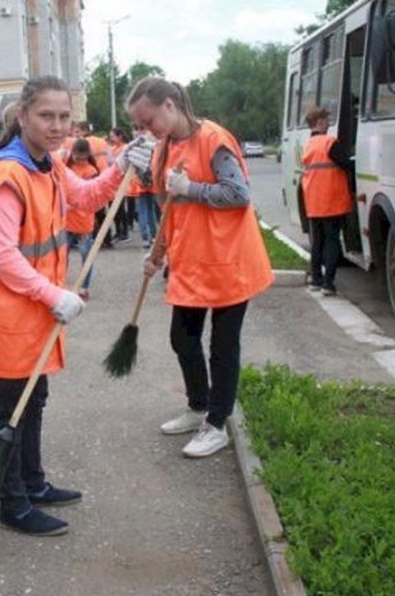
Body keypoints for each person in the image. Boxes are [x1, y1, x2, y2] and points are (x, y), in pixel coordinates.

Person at [0, 75, 153, 536]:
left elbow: (88, 197)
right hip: (6, 314)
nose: (58, 125)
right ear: (23, 116)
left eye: (64, 116)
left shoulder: (48, 165)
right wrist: (53, 293)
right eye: (47, 115)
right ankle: (13, 504)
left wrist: (121, 166)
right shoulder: (7, 176)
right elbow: (2, 254)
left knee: (34, 398)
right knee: (8, 410)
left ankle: (33, 482)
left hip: (30, 312)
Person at [126, 77, 273, 458]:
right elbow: (168, 210)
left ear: (171, 105)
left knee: (223, 347)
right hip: (191, 263)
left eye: (149, 121)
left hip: (229, 262)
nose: (147, 130)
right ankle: (198, 406)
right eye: (140, 125)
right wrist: (156, 253)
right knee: (182, 338)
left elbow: (239, 195)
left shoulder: (213, 139)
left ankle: (217, 423)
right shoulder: (163, 149)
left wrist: (191, 188)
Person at [301, 106, 354, 296]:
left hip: (314, 203)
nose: (328, 122)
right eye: (325, 119)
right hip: (332, 201)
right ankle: (328, 284)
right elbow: (346, 164)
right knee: (332, 243)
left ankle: (316, 279)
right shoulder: (330, 143)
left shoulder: (308, 144)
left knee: (318, 243)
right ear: (319, 122)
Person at [64, 138, 101, 301]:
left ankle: (84, 287)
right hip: (67, 218)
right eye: (76, 156)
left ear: (88, 155)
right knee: (61, 253)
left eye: (82, 156)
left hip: (84, 218)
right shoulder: (68, 167)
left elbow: (89, 195)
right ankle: (60, 283)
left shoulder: (91, 170)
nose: (79, 159)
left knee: (86, 254)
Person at [128, 124, 160, 249]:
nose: (138, 131)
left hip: (141, 182)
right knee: (150, 209)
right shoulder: (154, 143)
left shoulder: (135, 145)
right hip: (151, 181)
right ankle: (153, 235)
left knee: (143, 210)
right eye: (136, 128)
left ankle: (147, 237)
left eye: (141, 129)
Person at [109, 127, 135, 243]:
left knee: (120, 208)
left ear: (120, 136)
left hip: (122, 181)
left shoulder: (125, 148)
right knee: (113, 208)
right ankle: (118, 231)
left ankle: (124, 232)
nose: (112, 138)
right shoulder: (113, 149)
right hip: (113, 182)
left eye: (113, 136)